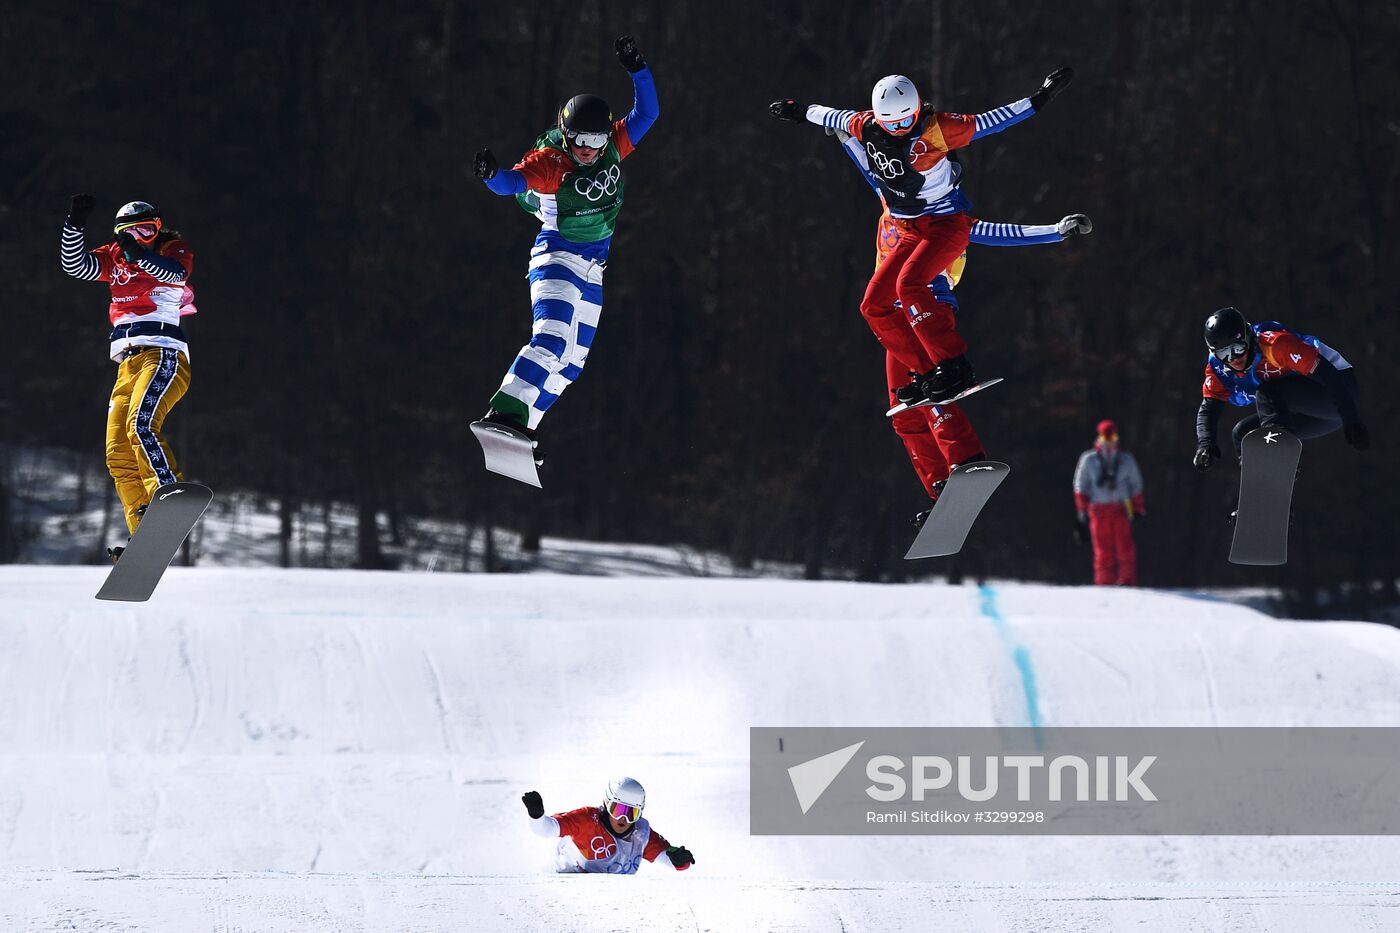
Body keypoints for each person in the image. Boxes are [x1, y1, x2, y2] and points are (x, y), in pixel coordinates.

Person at [770, 67, 1074, 406]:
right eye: (893, 123)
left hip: (946, 224)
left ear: (918, 110)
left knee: (909, 285)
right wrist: (800, 111)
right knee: (874, 305)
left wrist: (1040, 98)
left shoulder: (938, 129)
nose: (902, 129)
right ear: (879, 118)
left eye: (907, 120)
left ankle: (954, 365)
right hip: (910, 232)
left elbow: (993, 121)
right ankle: (928, 371)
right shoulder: (867, 126)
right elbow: (837, 118)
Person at [830, 125, 1092, 519]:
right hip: (894, 317)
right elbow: (871, 168)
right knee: (903, 413)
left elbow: (1001, 232)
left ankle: (965, 458)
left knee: (930, 393)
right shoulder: (894, 199)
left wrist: (1055, 232)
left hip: (926, 309)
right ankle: (940, 492)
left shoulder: (948, 222)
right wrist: (841, 131)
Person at [472, 35, 659, 455]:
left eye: (596, 142)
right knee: (552, 338)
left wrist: (638, 69)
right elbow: (512, 184)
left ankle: (522, 426)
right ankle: (504, 411)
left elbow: (648, 113)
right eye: (580, 141)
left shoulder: (609, 145)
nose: (589, 151)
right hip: (558, 258)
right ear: (565, 133)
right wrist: (490, 174)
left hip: (595, 269)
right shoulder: (551, 162)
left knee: (572, 363)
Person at [61, 196, 196, 560]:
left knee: (141, 425)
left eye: (148, 229)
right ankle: (145, 537)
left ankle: (168, 495)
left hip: (162, 352)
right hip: (127, 362)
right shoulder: (115, 257)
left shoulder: (172, 248)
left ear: (158, 228)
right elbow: (75, 266)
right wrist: (75, 223)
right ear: (120, 234)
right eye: (133, 231)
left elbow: (175, 274)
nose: (142, 236)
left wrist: (140, 252)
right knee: (117, 452)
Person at [1193, 307, 1369, 478]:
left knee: (1267, 392)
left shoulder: (1275, 345)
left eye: (1238, 348)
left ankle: (1280, 455)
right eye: (1224, 354)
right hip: (1318, 416)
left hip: (1339, 391)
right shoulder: (1218, 369)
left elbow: (1328, 374)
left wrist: (1351, 419)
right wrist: (1206, 444)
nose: (1233, 359)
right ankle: (1266, 497)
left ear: (1248, 338)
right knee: (1245, 435)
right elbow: (1209, 408)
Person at [522, 777, 694, 874]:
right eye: (617, 809)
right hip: (562, 885)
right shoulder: (586, 820)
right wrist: (536, 815)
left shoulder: (641, 834)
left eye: (632, 813)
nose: (623, 818)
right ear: (606, 804)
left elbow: (673, 861)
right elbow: (546, 829)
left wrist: (679, 858)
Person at [1073, 420, 1146, 586]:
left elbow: (1136, 485)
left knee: (1125, 548)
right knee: (1102, 550)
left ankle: (1127, 580)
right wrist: (1082, 509)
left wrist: (1138, 508)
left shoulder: (1126, 460)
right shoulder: (1088, 460)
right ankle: (1104, 582)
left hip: (1121, 508)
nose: (1109, 442)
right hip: (1098, 510)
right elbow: (1080, 485)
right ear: (1098, 438)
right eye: (1105, 437)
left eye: (1112, 436)